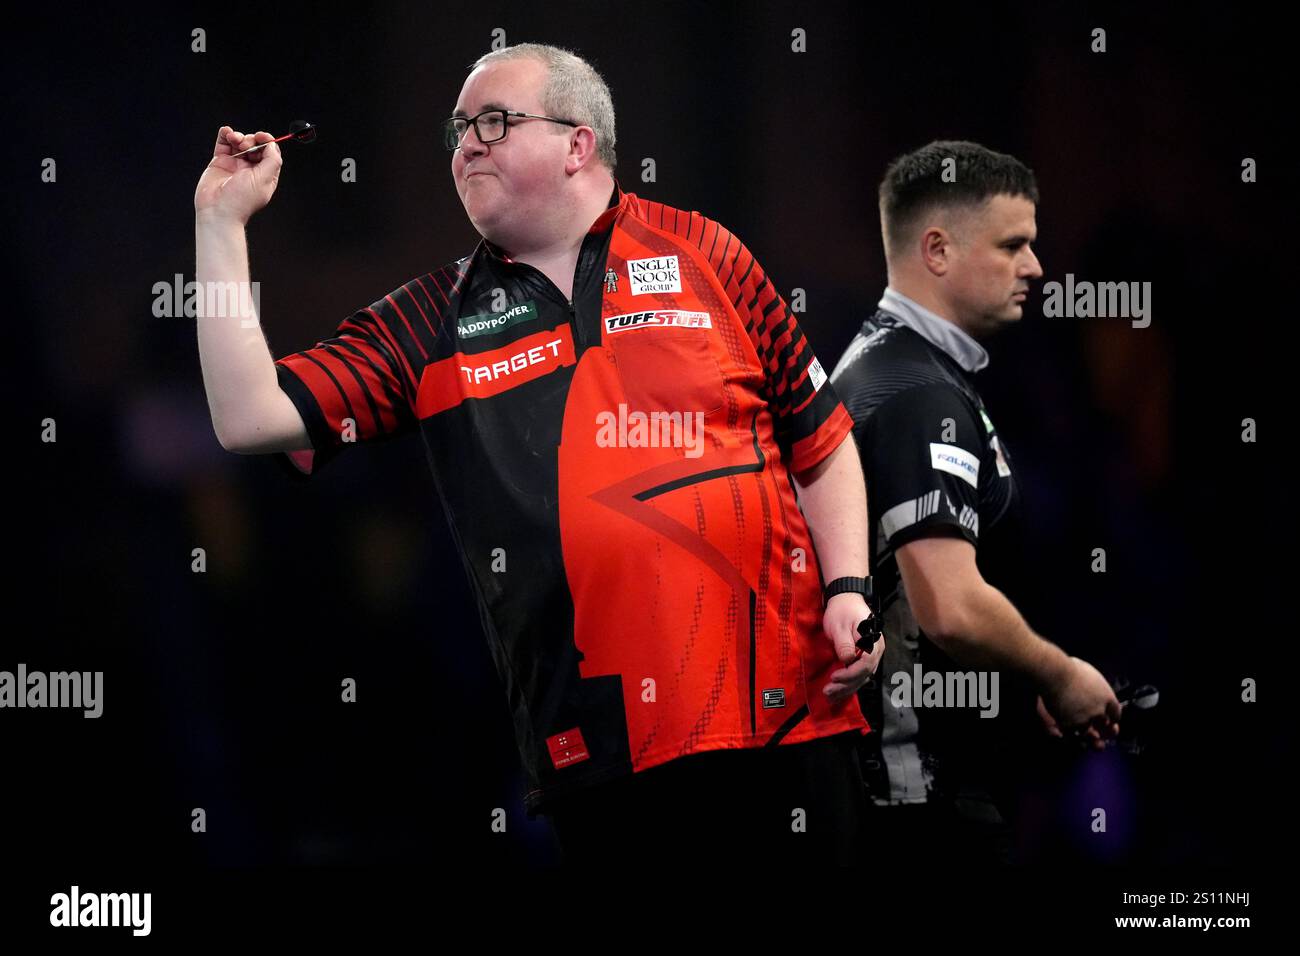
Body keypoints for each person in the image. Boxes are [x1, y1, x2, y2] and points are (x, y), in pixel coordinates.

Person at [193, 42, 884, 863]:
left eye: (493, 121)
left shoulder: (710, 255)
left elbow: (823, 439)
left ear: (578, 143)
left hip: (790, 720)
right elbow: (246, 416)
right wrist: (219, 223)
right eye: (458, 132)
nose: (467, 146)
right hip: (603, 758)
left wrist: (848, 586)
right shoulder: (430, 321)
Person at [828, 140, 1122, 863]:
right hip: (918, 810)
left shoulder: (893, 367)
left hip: (915, 791)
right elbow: (950, 607)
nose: (1036, 268)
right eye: (1013, 245)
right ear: (937, 250)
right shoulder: (916, 393)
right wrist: (1058, 672)